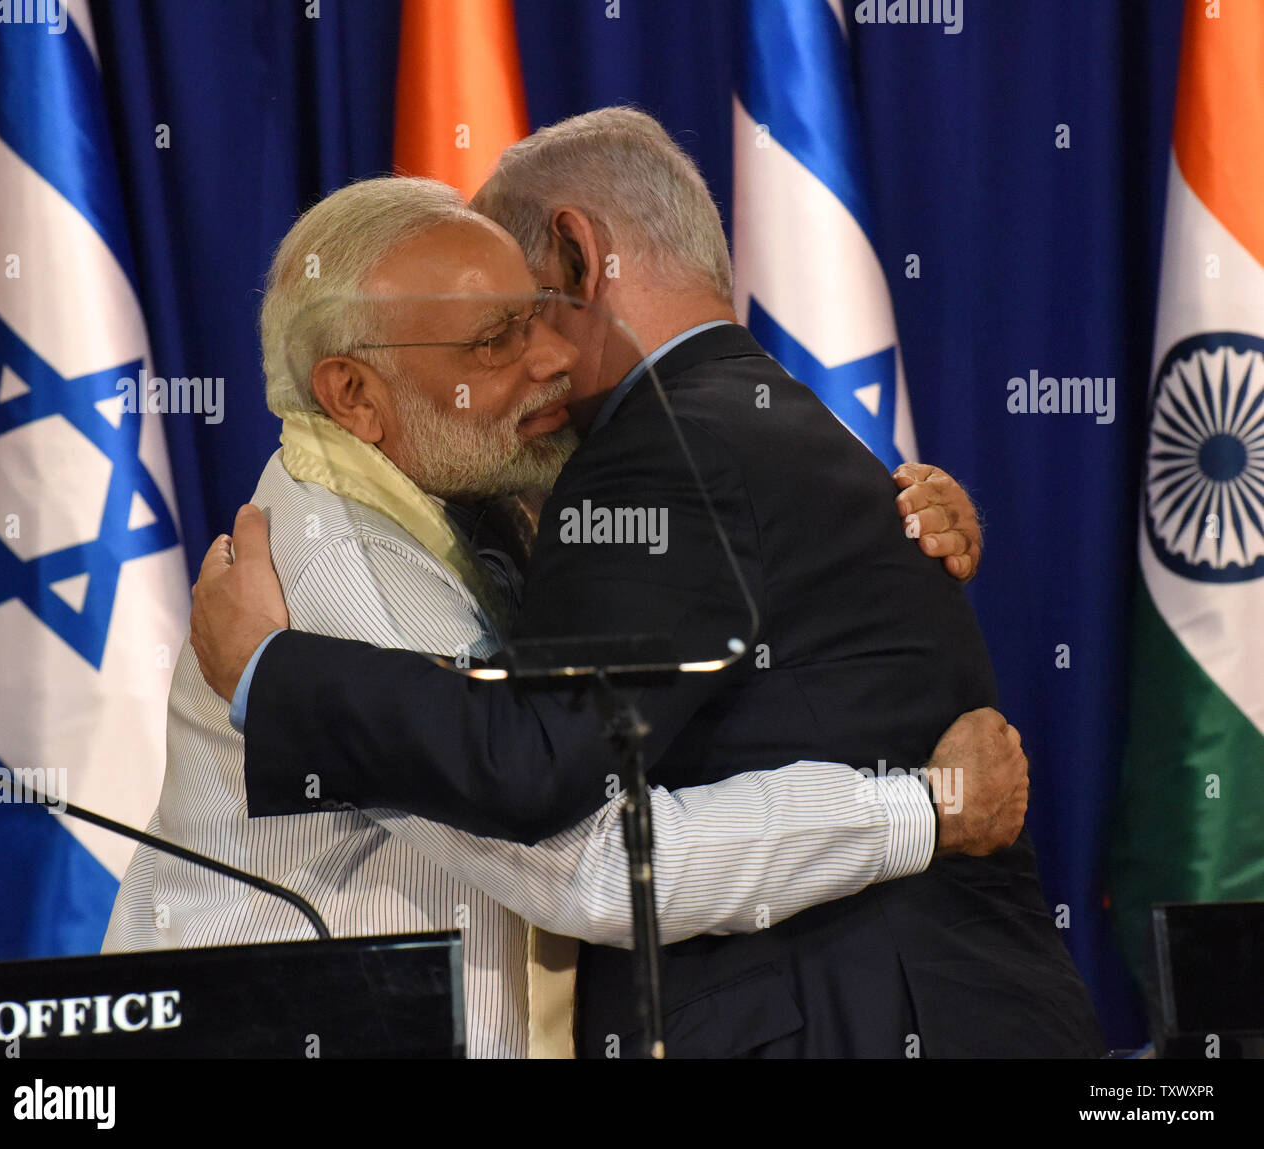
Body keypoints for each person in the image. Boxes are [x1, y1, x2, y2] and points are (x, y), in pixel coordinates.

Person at [193, 108, 1104, 1058]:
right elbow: (577, 858)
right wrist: (923, 805)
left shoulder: (660, 453)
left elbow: (549, 785)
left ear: (579, 258)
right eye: (493, 338)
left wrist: (271, 673)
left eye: (526, 315)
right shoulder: (767, 426)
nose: (541, 360)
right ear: (352, 394)